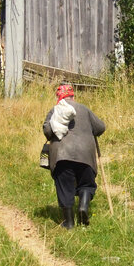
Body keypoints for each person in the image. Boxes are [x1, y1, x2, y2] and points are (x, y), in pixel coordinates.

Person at [42, 83, 106, 229]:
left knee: (65, 187)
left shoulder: (55, 111)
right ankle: (83, 207)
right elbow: (101, 127)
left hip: (62, 157)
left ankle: (69, 223)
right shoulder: (84, 109)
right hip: (86, 156)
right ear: (73, 96)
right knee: (87, 184)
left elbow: (47, 132)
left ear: (59, 97)